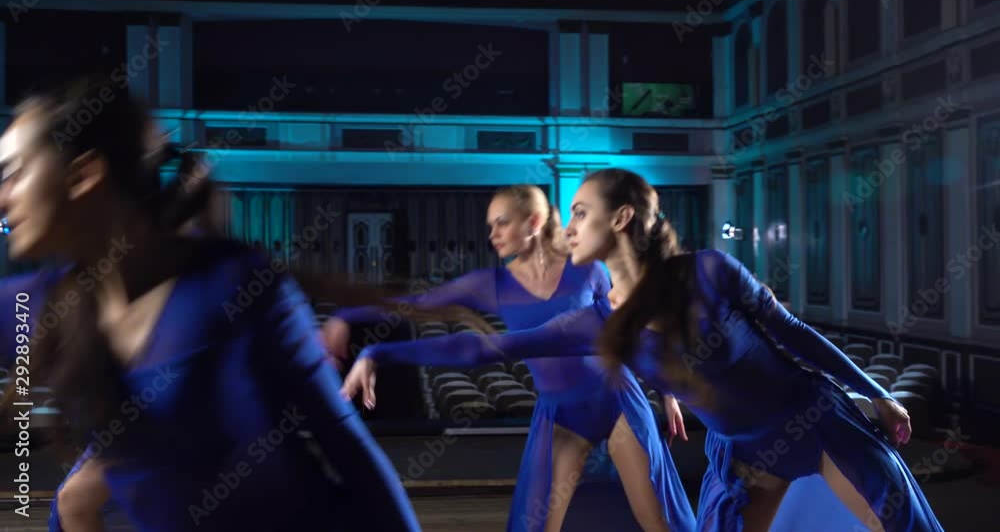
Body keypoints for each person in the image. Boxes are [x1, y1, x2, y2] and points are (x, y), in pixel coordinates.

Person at [342, 167, 945, 532]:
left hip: (813, 423)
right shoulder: (595, 325)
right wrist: (380, 356)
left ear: (622, 218)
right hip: (744, 460)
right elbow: (486, 351)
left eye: (579, 213)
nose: (568, 227)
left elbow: (798, 336)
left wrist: (877, 392)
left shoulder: (712, 271)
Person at [0, 77, 429, 531]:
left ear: (82, 175)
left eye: (13, 173)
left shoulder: (234, 286)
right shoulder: (41, 303)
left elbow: (351, 452)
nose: (3, 197)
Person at [326, 184, 695, 532]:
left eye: (502, 222)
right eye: (490, 225)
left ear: (533, 223)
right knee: (536, 525)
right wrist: (348, 320)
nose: (493, 234)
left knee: (656, 521)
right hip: (560, 410)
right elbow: (416, 306)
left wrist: (668, 390)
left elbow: (625, 329)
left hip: (616, 398)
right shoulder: (490, 285)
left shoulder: (587, 270)